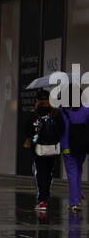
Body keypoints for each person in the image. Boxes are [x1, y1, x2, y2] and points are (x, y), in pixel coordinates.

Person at [22, 90, 63, 218]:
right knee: (49, 172)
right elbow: (62, 129)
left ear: (37, 100)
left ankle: (42, 200)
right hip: (53, 149)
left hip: (38, 148)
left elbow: (26, 129)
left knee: (40, 172)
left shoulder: (34, 114)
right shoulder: (55, 113)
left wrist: (30, 138)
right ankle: (46, 195)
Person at [59, 99, 89, 216]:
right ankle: (77, 191)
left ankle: (74, 202)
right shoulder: (86, 110)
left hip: (67, 146)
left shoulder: (63, 110)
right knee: (78, 169)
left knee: (72, 173)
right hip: (82, 146)